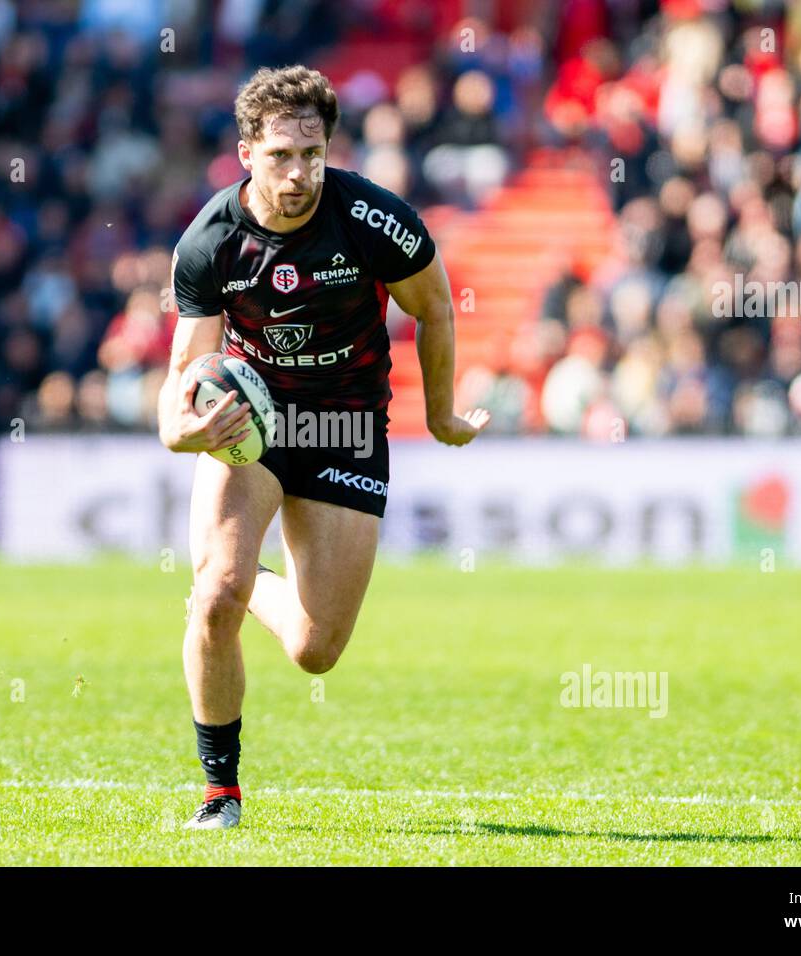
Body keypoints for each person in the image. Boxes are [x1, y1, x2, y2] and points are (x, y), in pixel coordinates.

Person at [159, 65, 490, 829]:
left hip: (346, 424)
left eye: (312, 154)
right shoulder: (209, 242)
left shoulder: (373, 218)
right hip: (254, 424)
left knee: (314, 649)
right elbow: (185, 375)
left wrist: (439, 415)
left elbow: (435, 306)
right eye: (280, 155)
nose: (298, 172)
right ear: (246, 154)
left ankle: (248, 583)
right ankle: (220, 792)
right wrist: (181, 430)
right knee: (213, 597)